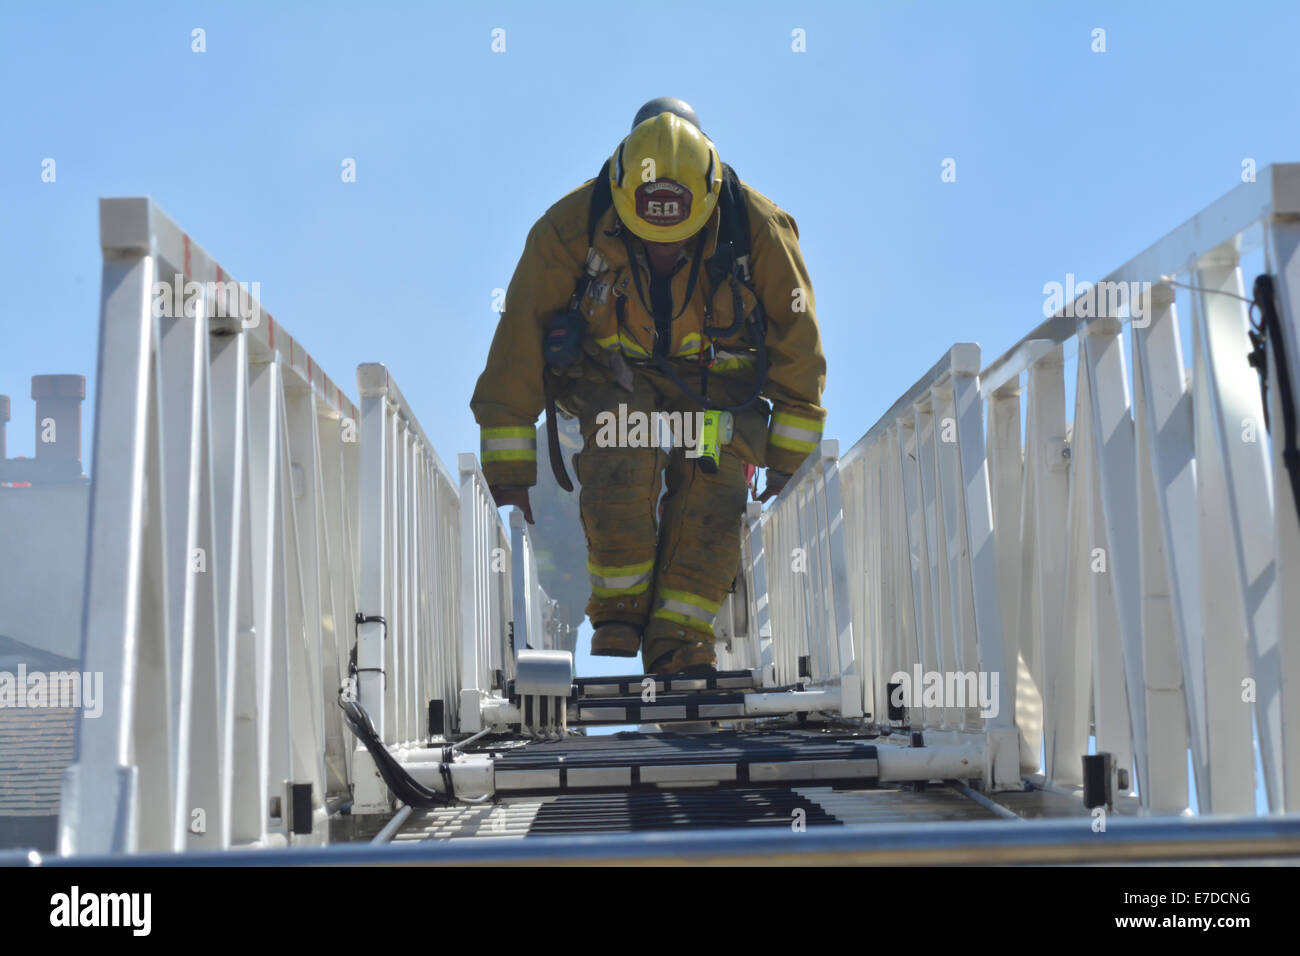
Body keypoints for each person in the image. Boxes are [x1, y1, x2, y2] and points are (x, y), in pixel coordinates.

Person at [470, 97, 826, 675]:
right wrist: (509, 484)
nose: (664, 252)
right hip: (615, 382)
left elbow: (798, 348)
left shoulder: (761, 231)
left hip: (718, 396)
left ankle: (679, 640)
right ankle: (620, 608)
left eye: (678, 240)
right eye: (649, 238)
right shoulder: (567, 230)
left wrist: (788, 466)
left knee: (711, 485)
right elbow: (516, 352)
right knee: (618, 449)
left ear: (708, 201)